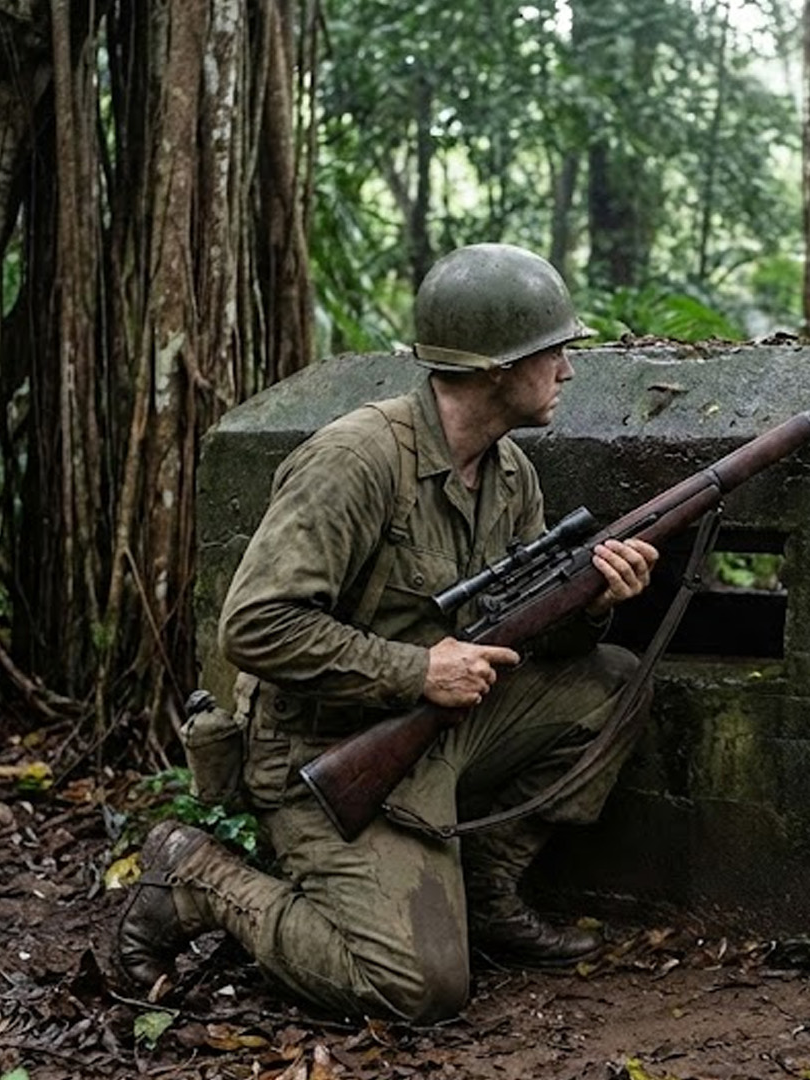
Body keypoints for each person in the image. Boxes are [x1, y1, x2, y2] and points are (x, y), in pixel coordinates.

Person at [116, 243, 660, 1022]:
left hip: (445, 730)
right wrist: (415, 672)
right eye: (555, 352)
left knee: (611, 680)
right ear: (500, 366)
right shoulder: (356, 460)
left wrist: (597, 600)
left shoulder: (512, 476)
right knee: (415, 988)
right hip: (319, 749)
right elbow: (255, 625)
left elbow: (539, 640)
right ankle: (196, 875)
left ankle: (486, 889)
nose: (568, 371)